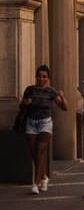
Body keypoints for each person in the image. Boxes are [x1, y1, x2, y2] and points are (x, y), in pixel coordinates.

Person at [20, 65, 68, 194]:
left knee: (40, 151)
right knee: (34, 154)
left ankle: (35, 184)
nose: (41, 79)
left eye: (44, 77)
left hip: (45, 123)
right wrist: (25, 102)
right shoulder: (29, 90)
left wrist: (62, 97)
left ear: (48, 78)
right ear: (36, 77)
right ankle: (44, 177)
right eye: (39, 76)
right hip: (31, 123)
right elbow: (22, 105)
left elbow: (65, 107)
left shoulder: (51, 91)